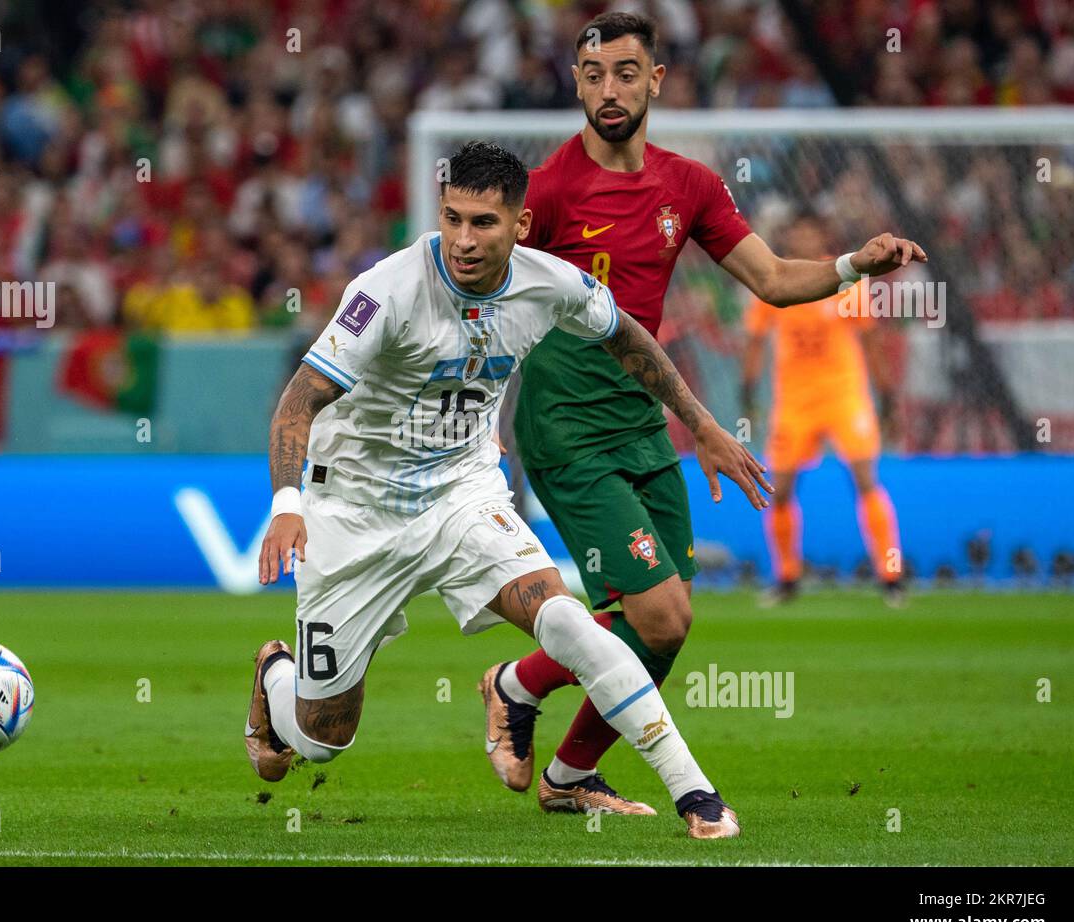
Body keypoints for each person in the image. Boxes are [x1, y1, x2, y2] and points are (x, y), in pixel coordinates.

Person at [246, 141, 771, 839]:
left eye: (484, 223)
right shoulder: (387, 291)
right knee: (320, 738)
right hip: (354, 509)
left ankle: (695, 791)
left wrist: (699, 423)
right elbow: (297, 403)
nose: (464, 240)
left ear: (520, 225)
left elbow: (626, 336)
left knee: (567, 619)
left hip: (462, 493)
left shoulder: (551, 283)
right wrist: (288, 506)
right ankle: (275, 675)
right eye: (453, 219)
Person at [479, 12, 925, 826]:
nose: (607, 89)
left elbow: (777, 279)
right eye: (592, 74)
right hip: (566, 425)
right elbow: (481, 303)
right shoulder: (544, 192)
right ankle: (527, 700)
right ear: (575, 84)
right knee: (657, 611)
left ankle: (560, 754)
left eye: (624, 72)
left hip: (643, 420)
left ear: (656, 80)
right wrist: (487, 427)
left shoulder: (688, 185)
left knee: (665, 627)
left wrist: (856, 263)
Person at [742, 212, 904, 607]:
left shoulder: (847, 279)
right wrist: (748, 391)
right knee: (778, 488)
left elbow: (870, 341)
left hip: (844, 395)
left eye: (810, 233)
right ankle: (787, 578)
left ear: (822, 236)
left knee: (865, 479)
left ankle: (891, 577)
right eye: (797, 233)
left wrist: (886, 397)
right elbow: (755, 341)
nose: (803, 240)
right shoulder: (774, 279)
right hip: (794, 401)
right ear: (789, 238)